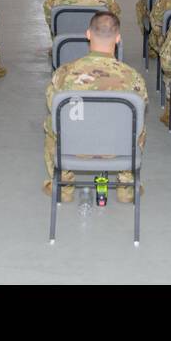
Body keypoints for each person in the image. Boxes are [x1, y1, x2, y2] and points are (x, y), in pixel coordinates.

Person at [42, 12, 147, 203]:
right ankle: (126, 187)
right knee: (136, 125)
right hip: (118, 148)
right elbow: (140, 110)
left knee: (52, 123)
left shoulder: (65, 73)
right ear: (118, 38)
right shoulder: (133, 77)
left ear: (88, 34)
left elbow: (54, 106)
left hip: (74, 146)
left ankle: (64, 187)